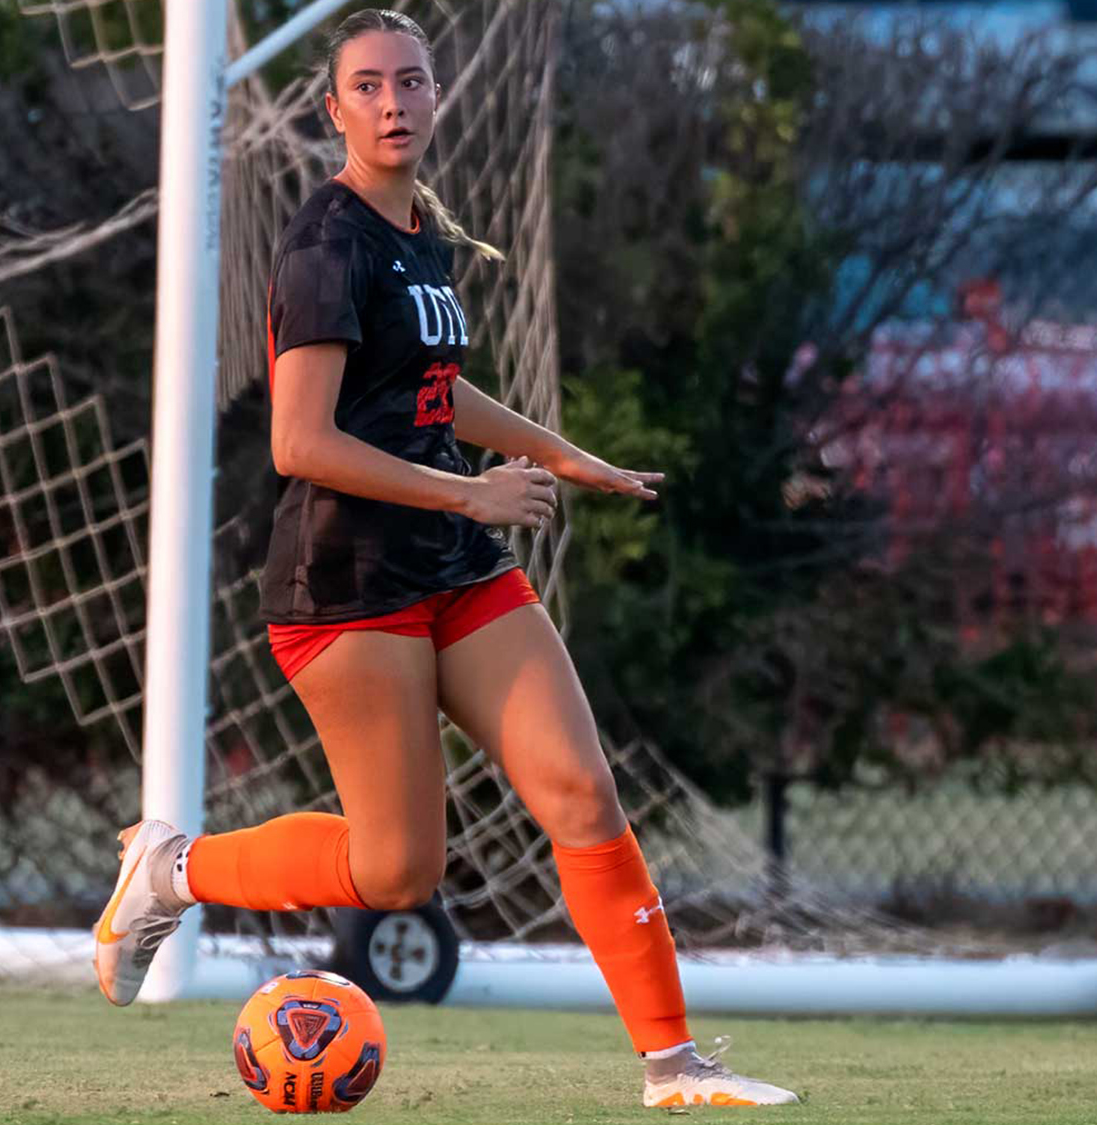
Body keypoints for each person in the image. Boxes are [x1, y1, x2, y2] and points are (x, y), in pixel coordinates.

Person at [95, 9, 797, 1109]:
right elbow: (302, 442)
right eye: (366, 85)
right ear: (331, 110)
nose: (392, 103)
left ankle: (673, 1068)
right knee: (395, 871)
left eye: (410, 83)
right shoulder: (325, 242)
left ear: (435, 98)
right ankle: (171, 871)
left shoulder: (418, 228)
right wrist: (473, 489)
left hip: (453, 562)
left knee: (579, 791)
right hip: (345, 582)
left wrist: (558, 455)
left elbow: (428, 388)